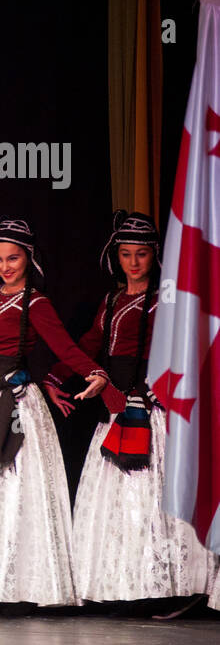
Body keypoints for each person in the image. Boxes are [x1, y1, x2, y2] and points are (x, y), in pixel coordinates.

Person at [48, 212, 218, 604]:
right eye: (126, 255)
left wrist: (158, 390)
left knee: (149, 499)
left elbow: (184, 352)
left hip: (151, 410)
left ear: (154, 257)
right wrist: (55, 376)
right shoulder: (110, 301)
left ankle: (164, 586)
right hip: (115, 407)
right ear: (116, 257)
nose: (134, 263)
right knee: (115, 502)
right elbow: (91, 343)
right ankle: (118, 586)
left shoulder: (165, 301)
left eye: (141, 254)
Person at [0, 217, 109, 607]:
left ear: (28, 258)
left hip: (16, 405)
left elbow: (65, 347)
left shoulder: (36, 301)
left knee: (18, 491)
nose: (5, 266)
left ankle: (27, 586)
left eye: (13, 258)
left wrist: (94, 372)